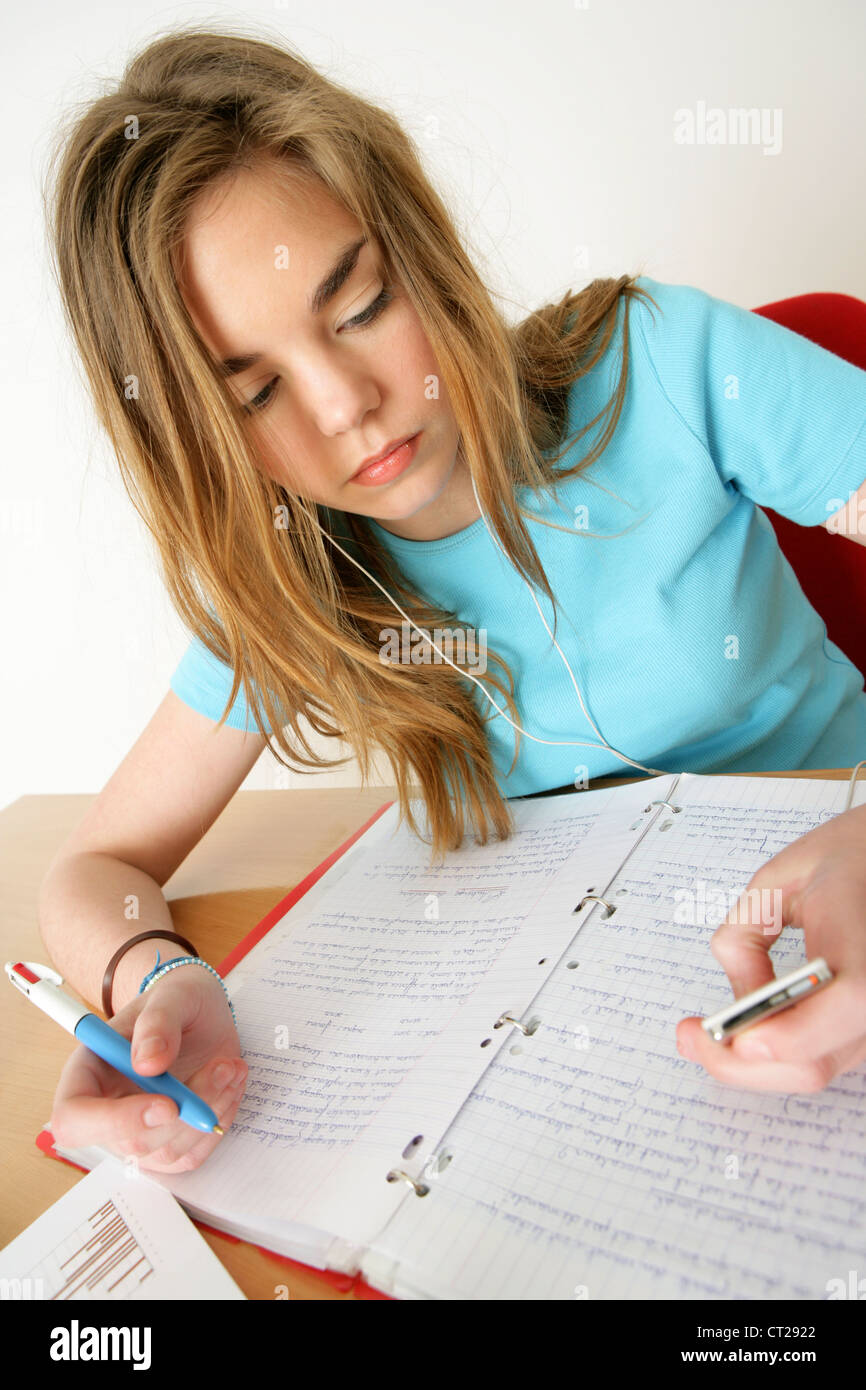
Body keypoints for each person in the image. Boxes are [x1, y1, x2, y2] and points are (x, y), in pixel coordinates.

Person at [38, 26, 866, 1177]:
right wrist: (159, 979)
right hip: (603, 1056)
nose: (347, 405)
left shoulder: (662, 365)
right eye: (258, 389)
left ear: (417, 249)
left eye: (361, 304)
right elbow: (90, 874)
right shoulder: (300, 582)